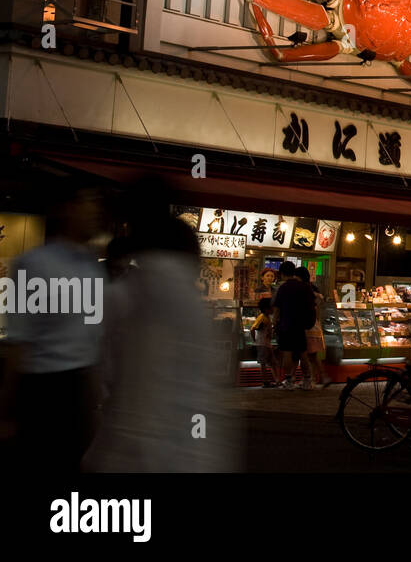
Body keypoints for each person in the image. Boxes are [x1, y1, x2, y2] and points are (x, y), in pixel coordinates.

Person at [86, 176, 236, 471]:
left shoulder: (127, 295)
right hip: (198, 448)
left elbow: (105, 375)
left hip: (136, 450)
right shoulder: (192, 302)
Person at [0, 178, 110, 473]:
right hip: (41, 390)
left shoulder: (94, 268)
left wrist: (96, 399)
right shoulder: (34, 264)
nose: (95, 211)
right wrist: (7, 409)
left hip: (79, 388)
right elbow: (19, 340)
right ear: (67, 209)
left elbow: (94, 336)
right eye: (88, 202)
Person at [273, 259, 316, 389]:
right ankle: (307, 380)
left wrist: (275, 323)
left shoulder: (283, 288)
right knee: (302, 353)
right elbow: (313, 304)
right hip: (301, 325)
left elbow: (277, 308)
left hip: (286, 324)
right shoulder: (305, 287)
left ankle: (289, 380)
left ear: (282, 274)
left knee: (287, 352)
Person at [297, 266, 328, 389]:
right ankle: (319, 377)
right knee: (312, 356)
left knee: (306, 355)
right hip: (315, 326)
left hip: (308, 327)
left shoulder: (305, 290)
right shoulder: (314, 292)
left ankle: (310, 378)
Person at [250, 298, 280, 387]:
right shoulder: (262, 317)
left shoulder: (266, 317)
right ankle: (265, 381)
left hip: (266, 344)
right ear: (267, 308)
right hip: (262, 344)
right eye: (271, 307)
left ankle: (276, 380)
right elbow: (253, 329)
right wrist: (255, 341)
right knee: (264, 363)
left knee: (272, 363)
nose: (273, 309)